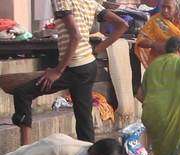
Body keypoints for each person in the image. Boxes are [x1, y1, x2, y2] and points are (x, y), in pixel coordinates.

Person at [11, 0, 127, 146]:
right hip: (89, 65)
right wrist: (97, 50)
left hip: (75, 68)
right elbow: (123, 25)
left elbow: (75, 36)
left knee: (22, 93)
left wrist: (57, 71)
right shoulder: (89, 1)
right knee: (84, 118)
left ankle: (24, 148)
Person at [135, 0, 180, 68]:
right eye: (163, 7)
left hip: (179, 65)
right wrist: (154, 44)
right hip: (159, 63)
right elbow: (140, 41)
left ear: (177, 9)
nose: (165, 10)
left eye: (169, 7)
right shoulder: (155, 20)